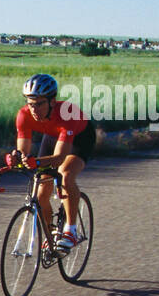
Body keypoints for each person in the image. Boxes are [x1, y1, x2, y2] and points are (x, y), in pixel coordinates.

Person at [8, 74, 94, 251]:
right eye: (31, 103)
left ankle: (71, 230)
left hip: (79, 139)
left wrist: (36, 162)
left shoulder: (67, 114)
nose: (34, 109)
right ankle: (50, 234)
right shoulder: (24, 115)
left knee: (65, 174)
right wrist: (18, 158)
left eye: (39, 104)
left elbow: (60, 157)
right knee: (40, 193)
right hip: (53, 136)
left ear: (52, 101)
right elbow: (24, 151)